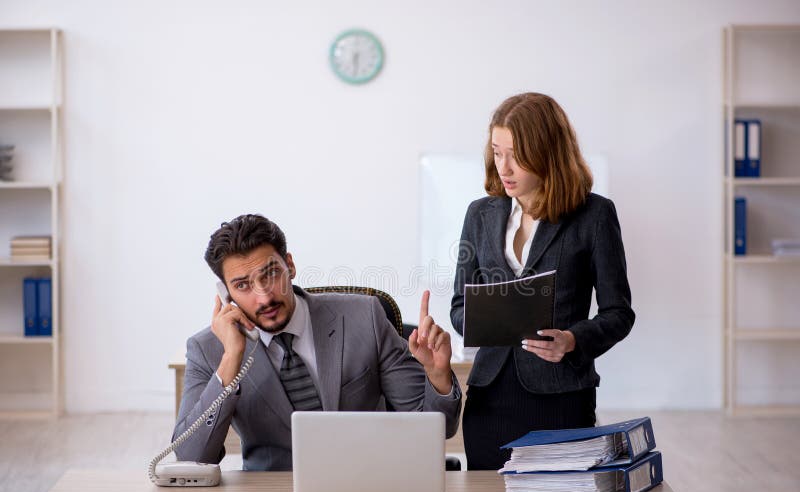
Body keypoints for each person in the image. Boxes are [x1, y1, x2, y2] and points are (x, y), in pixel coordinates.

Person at [173, 214, 461, 470]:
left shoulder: (365, 317)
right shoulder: (208, 349)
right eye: (242, 285)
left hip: (370, 484)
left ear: (290, 265)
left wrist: (437, 377)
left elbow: (437, 429)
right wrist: (231, 360)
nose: (264, 297)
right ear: (226, 294)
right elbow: (191, 458)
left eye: (271, 273)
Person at [450, 92, 635, 470]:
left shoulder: (594, 215)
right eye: (497, 152)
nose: (505, 167)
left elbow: (619, 313)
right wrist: (486, 320)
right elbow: (458, 308)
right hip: (489, 396)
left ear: (548, 152)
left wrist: (572, 340)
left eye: (516, 155)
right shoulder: (480, 214)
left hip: (561, 396)